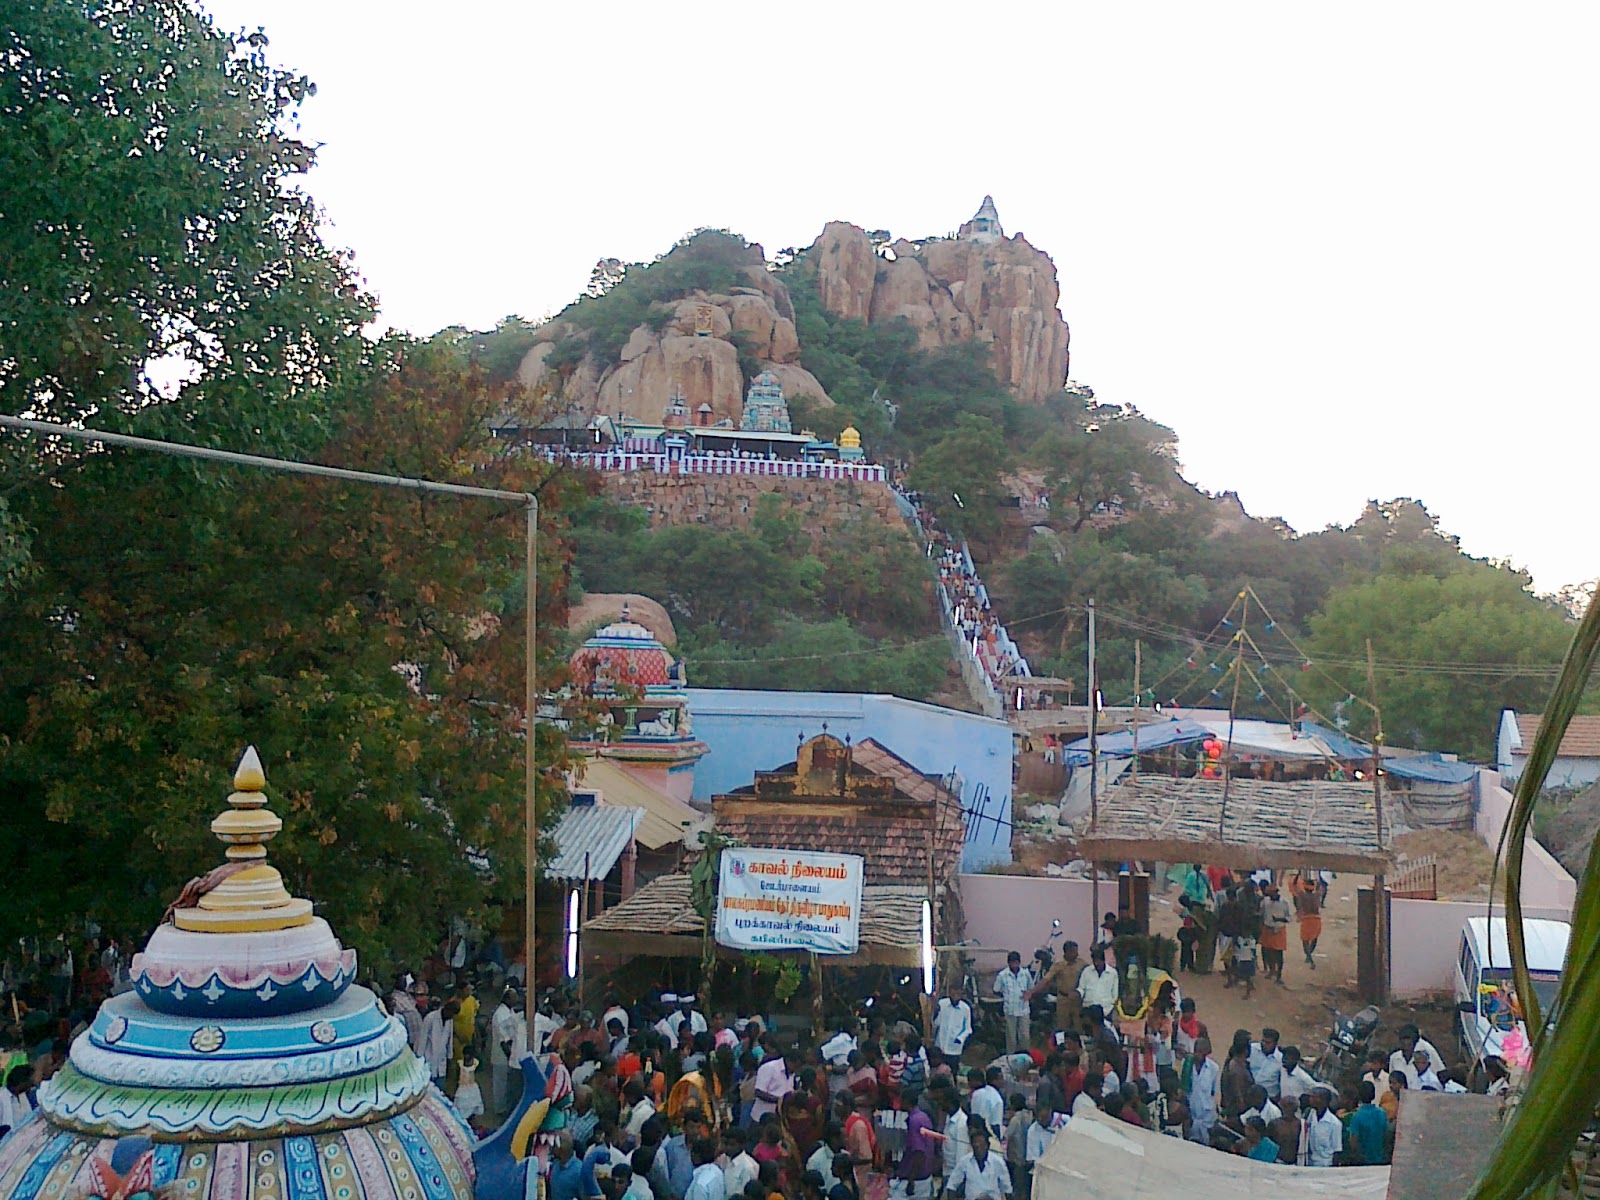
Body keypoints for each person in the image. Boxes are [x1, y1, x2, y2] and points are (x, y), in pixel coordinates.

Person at [1028, 940, 1082, 1040]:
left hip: (1076, 1001)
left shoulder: (1081, 963)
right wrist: (1032, 992)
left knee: (1078, 1028)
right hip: (1063, 1000)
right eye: (1074, 951)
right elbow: (1046, 979)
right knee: (1062, 1028)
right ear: (1066, 952)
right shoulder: (1058, 965)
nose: (1076, 954)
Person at [491, 986, 528, 1123]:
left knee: (506, 1083)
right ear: (507, 998)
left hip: (510, 1053)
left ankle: (505, 1109)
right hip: (502, 1054)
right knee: (500, 1083)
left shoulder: (511, 1012)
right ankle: (500, 1110)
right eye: (514, 997)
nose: (516, 999)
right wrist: (511, 1055)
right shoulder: (501, 1014)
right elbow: (503, 1039)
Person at [944, 1126, 1011, 1200]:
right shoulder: (964, 1161)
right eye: (976, 1146)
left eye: (981, 1145)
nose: (979, 1149)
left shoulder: (998, 1162)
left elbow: (1007, 1189)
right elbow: (951, 1185)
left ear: (987, 1145)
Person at [993, 953, 1033, 1055]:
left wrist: (1028, 994)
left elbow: (1031, 988)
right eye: (1012, 963)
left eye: (1016, 963)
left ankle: (1025, 1057)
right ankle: (1011, 1058)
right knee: (1011, 1037)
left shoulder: (1025, 974)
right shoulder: (1002, 976)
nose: (1014, 965)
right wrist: (1006, 996)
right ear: (1009, 963)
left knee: (1024, 1036)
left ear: (1019, 962)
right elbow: (996, 990)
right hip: (1010, 1010)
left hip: (1023, 1009)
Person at [1185, 1037, 1220, 1144]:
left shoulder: (1213, 1068)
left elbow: (1213, 1091)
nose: (1198, 1055)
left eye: (1202, 1052)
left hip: (1206, 1115)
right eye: (1197, 1051)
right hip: (1191, 1113)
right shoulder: (1187, 1065)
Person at [549, 1133, 604, 1200]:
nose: (550, 1148)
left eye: (554, 1145)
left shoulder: (580, 1171)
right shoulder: (555, 1164)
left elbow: (596, 1197)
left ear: (561, 1149)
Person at [419, 998, 458, 1090]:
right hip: (428, 1061)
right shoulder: (430, 1018)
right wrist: (419, 1059)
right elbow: (422, 1040)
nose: (451, 1017)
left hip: (441, 1062)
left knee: (440, 1091)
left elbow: (449, 1039)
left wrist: (450, 1058)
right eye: (451, 1014)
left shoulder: (450, 1021)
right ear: (447, 1009)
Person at [1347, 1082, 1389, 1165]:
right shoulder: (1382, 1113)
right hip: (1380, 1159)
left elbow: (1353, 1141)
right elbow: (1386, 1135)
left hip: (1363, 1161)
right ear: (1373, 1095)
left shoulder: (1357, 1116)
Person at [1259, 885, 1293, 984]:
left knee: (1279, 954)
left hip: (1279, 929)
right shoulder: (1265, 901)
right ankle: (1271, 970)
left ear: (1276, 892)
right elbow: (1261, 914)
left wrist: (1278, 919)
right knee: (1268, 952)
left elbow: (1289, 918)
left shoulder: (1285, 902)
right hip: (1267, 928)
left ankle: (1279, 975)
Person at [1300, 1089, 1342, 1167]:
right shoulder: (1310, 1115)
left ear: (1323, 1100)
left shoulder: (1334, 1123)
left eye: (1314, 1097)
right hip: (1310, 1163)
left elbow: (1337, 1150)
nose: (1310, 1099)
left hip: (1325, 1164)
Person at [751, 1047, 795, 1121]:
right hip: (761, 1117)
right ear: (789, 1061)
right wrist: (779, 1100)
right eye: (796, 1065)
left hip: (780, 1117)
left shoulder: (792, 1072)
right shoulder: (769, 1067)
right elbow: (758, 1092)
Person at [1075, 947, 1118, 1019]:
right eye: (1094, 961)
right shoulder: (1087, 971)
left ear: (1103, 960)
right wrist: (1077, 993)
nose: (1096, 964)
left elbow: (1115, 994)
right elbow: (1081, 988)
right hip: (1089, 1009)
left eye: (1098, 962)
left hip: (1106, 1010)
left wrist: (1110, 1008)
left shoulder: (1112, 973)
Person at [933, 987, 973, 1063]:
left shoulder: (965, 1009)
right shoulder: (942, 1004)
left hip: (954, 1048)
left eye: (958, 993)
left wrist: (960, 1038)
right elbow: (936, 1022)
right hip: (940, 1044)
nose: (955, 995)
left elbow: (968, 1029)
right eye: (953, 993)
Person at [1293, 877, 1322, 969]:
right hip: (1316, 918)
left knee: (1305, 940)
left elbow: (1294, 885)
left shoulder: (1302, 895)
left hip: (1306, 919)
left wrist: (1297, 875)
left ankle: (1310, 958)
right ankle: (1309, 956)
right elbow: (1320, 887)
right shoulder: (1316, 895)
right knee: (1314, 938)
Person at [969, 1068, 1005, 1139]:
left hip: (978, 1133)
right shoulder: (995, 1098)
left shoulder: (977, 1093)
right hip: (988, 1134)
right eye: (1000, 1078)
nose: (1003, 1081)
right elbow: (995, 1124)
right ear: (994, 1080)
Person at [722, 1130, 759, 1198]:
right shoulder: (724, 1158)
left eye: (732, 1145)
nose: (728, 1147)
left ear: (742, 1145)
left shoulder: (748, 1167)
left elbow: (746, 1195)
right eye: (726, 1144)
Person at [1248, 1029, 1283, 1098]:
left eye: (1268, 1043)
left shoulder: (1281, 1060)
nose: (1264, 1044)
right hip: (1248, 1094)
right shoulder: (1252, 1049)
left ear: (1275, 1044)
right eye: (1263, 1041)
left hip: (1268, 1098)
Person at [454, 1053, 484, 1123]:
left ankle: (470, 1118)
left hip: (471, 1089)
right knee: (462, 1107)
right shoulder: (460, 1065)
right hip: (463, 1089)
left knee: (472, 1105)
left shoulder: (474, 1065)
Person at [1231, 931, 1259, 999]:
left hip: (1246, 960)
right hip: (1245, 960)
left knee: (1247, 977)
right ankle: (1249, 988)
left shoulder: (1241, 939)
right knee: (1247, 977)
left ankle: (1248, 993)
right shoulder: (1250, 940)